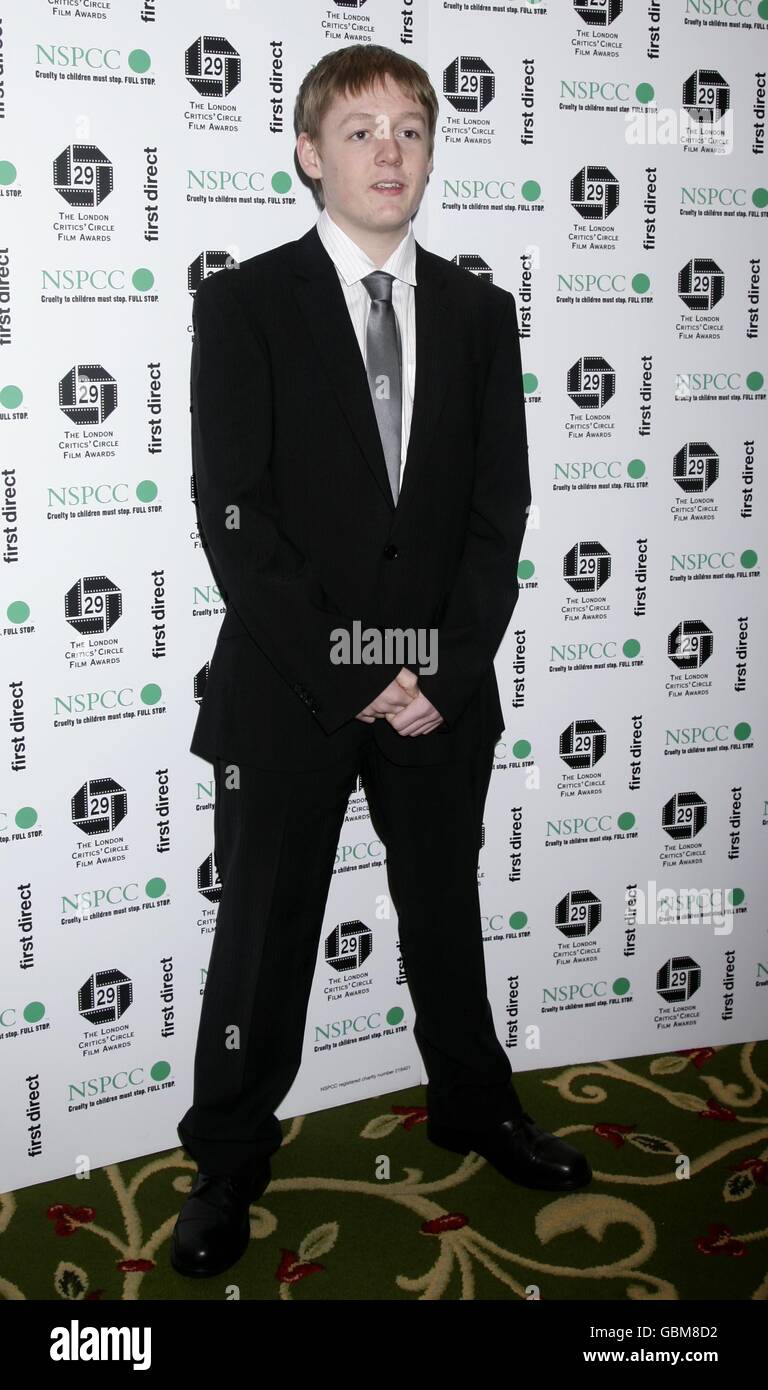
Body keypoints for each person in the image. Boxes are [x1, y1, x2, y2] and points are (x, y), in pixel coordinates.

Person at [172, 44, 591, 1280]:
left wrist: (441, 673)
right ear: (310, 155)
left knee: (446, 914)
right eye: (361, 131)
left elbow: (493, 515)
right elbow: (235, 513)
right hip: (293, 690)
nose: (391, 151)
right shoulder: (244, 304)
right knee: (261, 933)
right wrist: (368, 668)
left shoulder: (477, 312)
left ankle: (472, 1100)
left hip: (439, 691)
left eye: (411, 127)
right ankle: (229, 1152)